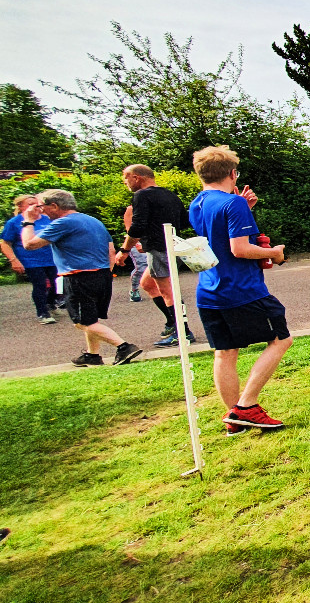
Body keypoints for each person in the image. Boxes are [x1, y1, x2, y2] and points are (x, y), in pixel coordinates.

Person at [188, 146, 291, 434]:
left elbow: (217, 232)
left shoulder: (197, 203)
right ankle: (246, 406)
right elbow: (240, 248)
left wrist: (242, 206)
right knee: (281, 340)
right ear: (233, 173)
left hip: (209, 290)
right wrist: (274, 252)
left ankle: (234, 417)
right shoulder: (234, 205)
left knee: (225, 352)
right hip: (242, 290)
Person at [19, 190, 143, 367]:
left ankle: (124, 347)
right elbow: (111, 251)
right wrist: (107, 274)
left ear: (54, 206)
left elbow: (29, 244)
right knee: (91, 319)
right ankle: (92, 355)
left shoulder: (63, 222)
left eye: (42, 206)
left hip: (78, 277)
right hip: (102, 275)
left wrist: (28, 221)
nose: (41, 211)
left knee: (81, 322)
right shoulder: (93, 220)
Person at [114, 165, 194, 347]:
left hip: (160, 249)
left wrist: (125, 250)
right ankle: (172, 323)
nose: (125, 183)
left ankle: (183, 332)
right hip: (171, 246)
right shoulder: (169, 194)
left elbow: (137, 225)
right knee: (147, 284)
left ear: (136, 177)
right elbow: (183, 220)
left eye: (125, 179)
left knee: (167, 291)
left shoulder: (141, 195)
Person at [2, 194, 60, 325]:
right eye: (30, 204)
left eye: (37, 203)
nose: (35, 206)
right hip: (30, 259)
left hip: (52, 258)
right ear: (21, 207)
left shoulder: (47, 219)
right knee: (40, 285)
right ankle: (43, 313)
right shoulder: (14, 223)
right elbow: (5, 243)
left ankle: (51, 303)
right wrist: (14, 260)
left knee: (57, 284)